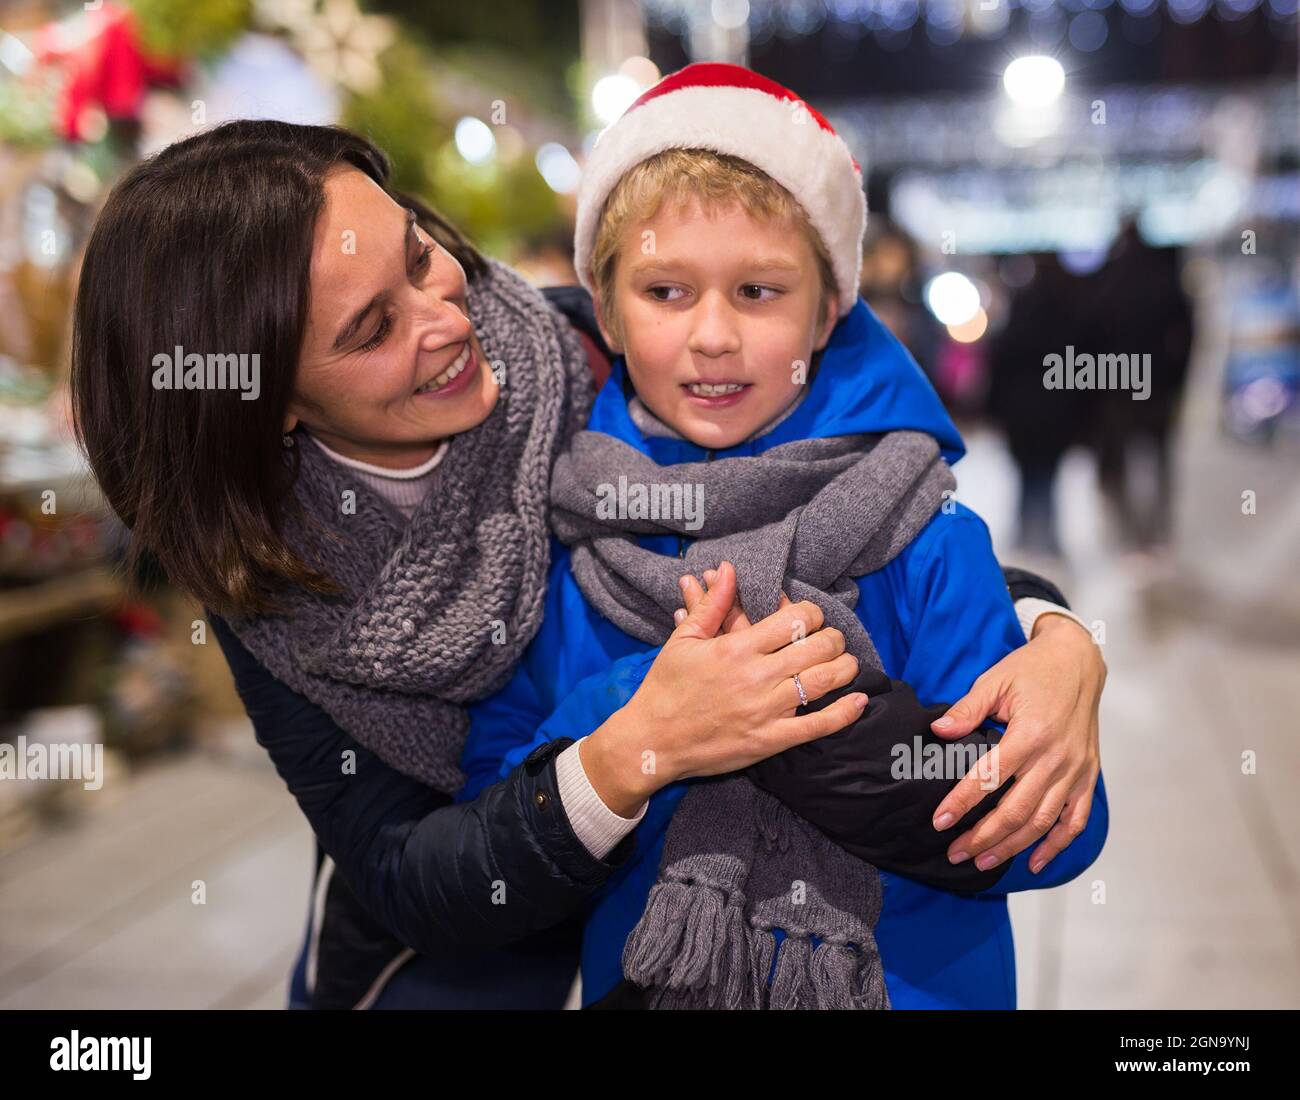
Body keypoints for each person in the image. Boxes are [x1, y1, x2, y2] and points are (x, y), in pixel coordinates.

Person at [70, 116, 1103, 1009]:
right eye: (373, 327)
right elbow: (405, 865)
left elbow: (853, 479)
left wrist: (1051, 628)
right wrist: (643, 735)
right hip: (470, 955)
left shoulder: (591, 356)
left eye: (420, 252)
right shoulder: (272, 578)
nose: (448, 317)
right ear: (270, 401)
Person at [462, 64, 1108, 1009]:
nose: (713, 335)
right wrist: (662, 711)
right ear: (605, 311)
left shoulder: (926, 531)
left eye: (759, 292)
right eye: (666, 291)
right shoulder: (572, 539)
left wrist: (795, 728)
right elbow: (498, 818)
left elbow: (1055, 827)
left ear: (827, 309)